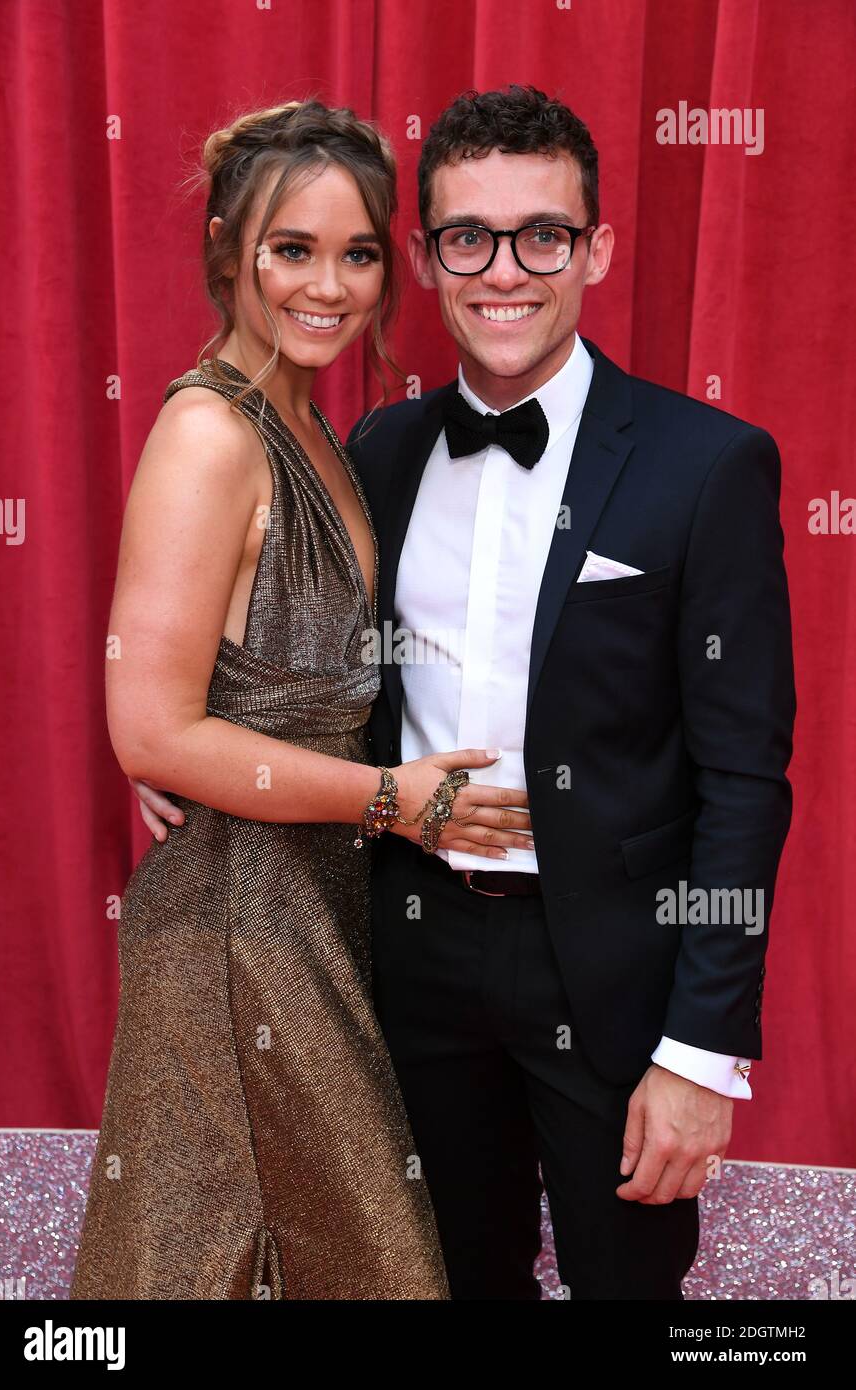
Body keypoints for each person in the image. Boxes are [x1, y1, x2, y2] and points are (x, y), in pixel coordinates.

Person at [136, 85, 796, 1300]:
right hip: (404, 952)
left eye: (543, 233)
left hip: (611, 969)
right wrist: (179, 748)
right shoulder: (374, 451)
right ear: (428, 259)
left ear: (595, 248)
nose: (507, 270)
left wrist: (707, 1050)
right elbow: (285, 651)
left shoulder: (710, 466)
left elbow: (746, 783)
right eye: (466, 237)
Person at [71, 99, 533, 1302]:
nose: (328, 286)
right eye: (293, 250)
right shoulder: (211, 435)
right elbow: (152, 725)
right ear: (230, 249)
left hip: (316, 899)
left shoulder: (317, 426)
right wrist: (396, 799)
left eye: (360, 254)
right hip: (237, 922)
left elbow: (211, 684)